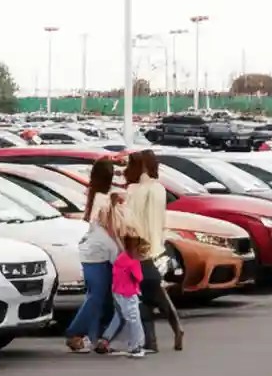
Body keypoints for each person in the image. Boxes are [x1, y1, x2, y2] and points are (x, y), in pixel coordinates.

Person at [124, 149, 184, 352]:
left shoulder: (136, 190)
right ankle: (172, 330)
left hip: (139, 246)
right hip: (157, 245)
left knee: (142, 294)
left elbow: (131, 219)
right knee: (153, 291)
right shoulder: (159, 189)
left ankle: (152, 340)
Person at [65, 157, 123, 353]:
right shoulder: (106, 199)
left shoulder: (95, 195)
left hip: (93, 253)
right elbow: (109, 231)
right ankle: (74, 333)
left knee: (99, 296)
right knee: (97, 297)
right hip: (99, 254)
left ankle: (93, 337)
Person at [94, 233, 148, 358]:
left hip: (117, 292)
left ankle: (107, 340)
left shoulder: (120, 258)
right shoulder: (133, 262)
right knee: (134, 319)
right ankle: (136, 346)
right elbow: (139, 277)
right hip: (129, 293)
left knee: (120, 316)